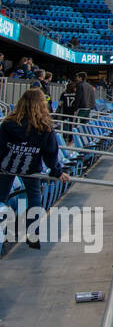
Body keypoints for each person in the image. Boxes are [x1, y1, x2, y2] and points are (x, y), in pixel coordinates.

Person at [0, 88, 71, 252]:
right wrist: (57, 171)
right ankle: (34, 235)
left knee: (1, 200)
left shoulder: (8, 124)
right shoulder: (45, 127)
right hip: (30, 168)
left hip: (6, 167)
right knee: (34, 198)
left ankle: (2, 236)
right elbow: (51, 153)